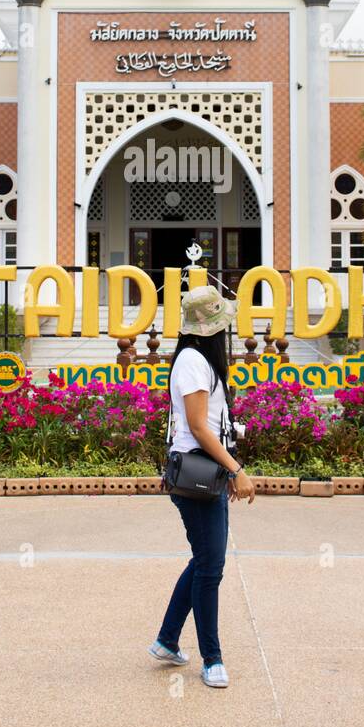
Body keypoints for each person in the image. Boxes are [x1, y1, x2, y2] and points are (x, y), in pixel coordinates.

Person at [149, 284, 255, 688]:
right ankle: (212, 659)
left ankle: (166, 641)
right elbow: (196, 427)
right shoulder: (193, 362)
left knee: (203, 561)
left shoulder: (197, 361)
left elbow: (208, 423)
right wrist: (234, 469)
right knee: (211, 567)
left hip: (205, 471)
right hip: (199, 473)